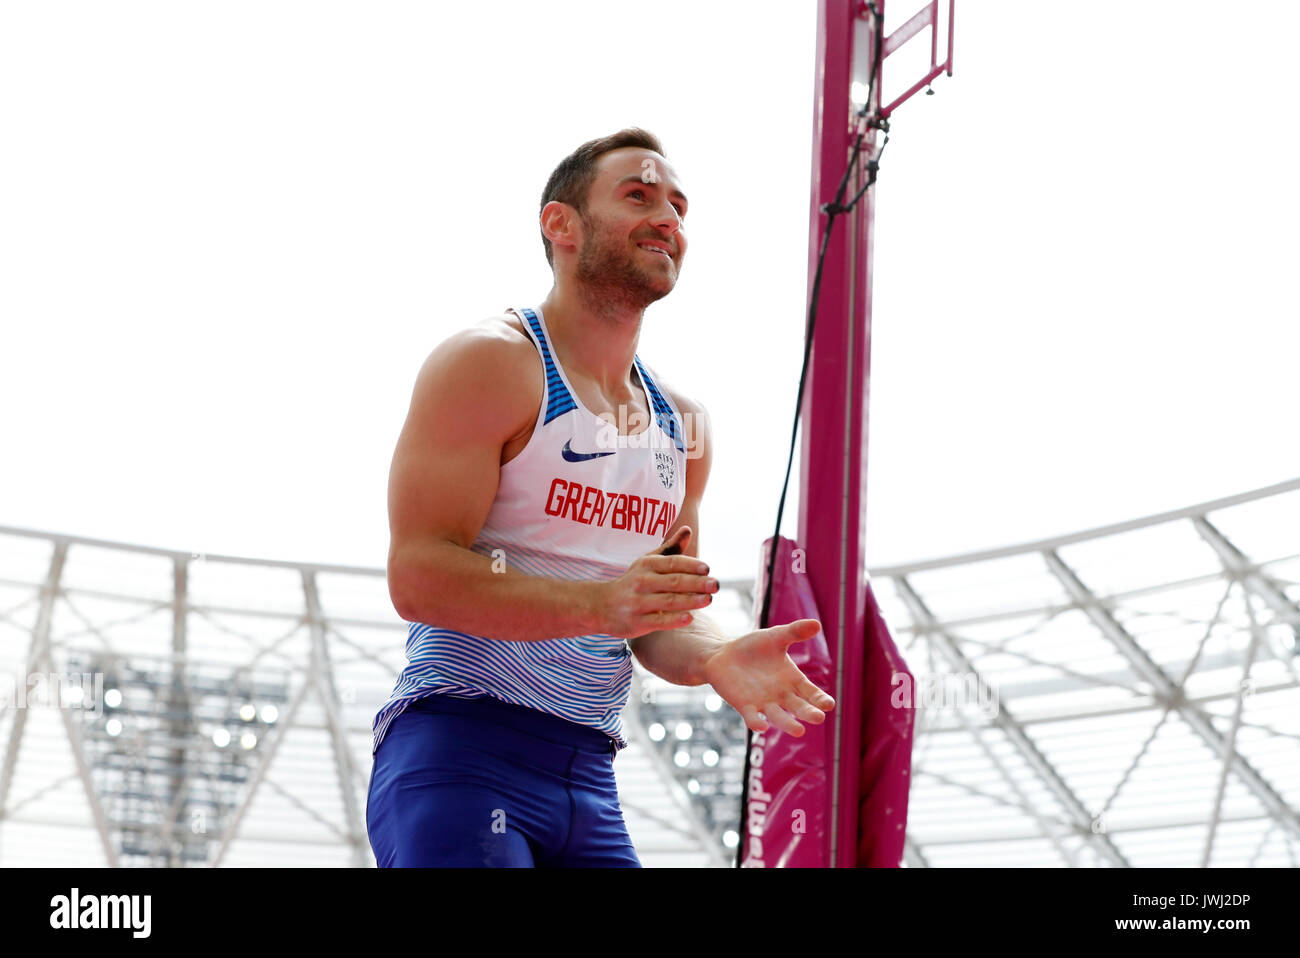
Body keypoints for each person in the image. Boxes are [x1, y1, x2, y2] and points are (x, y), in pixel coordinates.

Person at [365, 127, 834, 867]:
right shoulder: (492, 363)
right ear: (561, 225)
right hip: (461, 746)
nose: (668, 219)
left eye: (679, 207)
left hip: (586, 771)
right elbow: (418, 576)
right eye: (638, 196)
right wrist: (598, 605)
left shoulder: (684, 429)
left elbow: (656, 624)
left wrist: (715, 656)